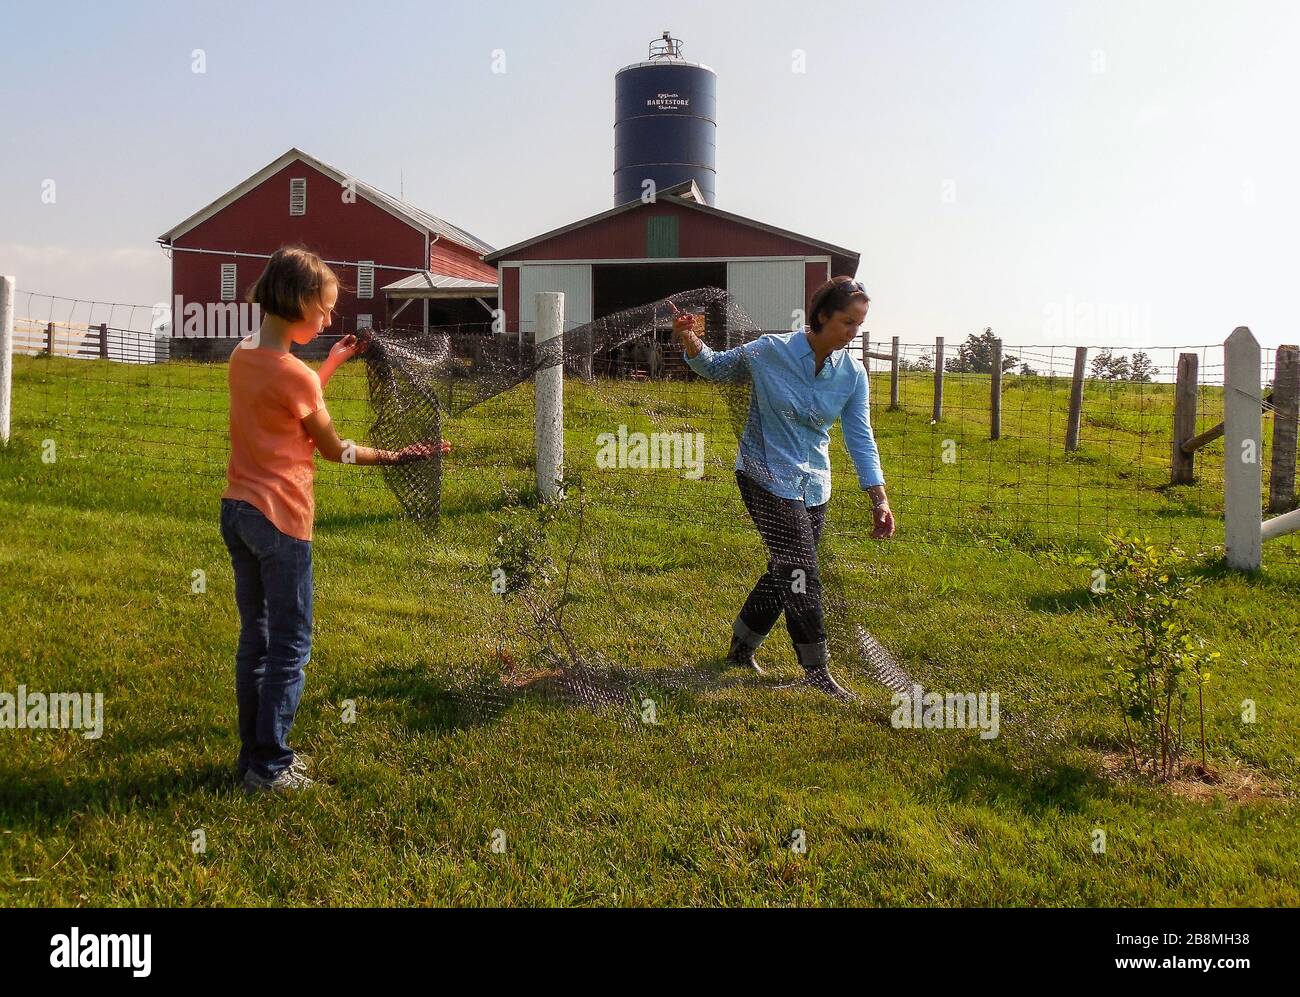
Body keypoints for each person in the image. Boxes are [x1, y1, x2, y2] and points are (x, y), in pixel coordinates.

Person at [221, 245, 446, 793]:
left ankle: (252, 757)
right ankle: (271, 766)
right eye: (323, 309)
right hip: (281, 521)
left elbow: (292, 399)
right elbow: (331, 447)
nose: (326, 320)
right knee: (291, 645)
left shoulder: (241, 355)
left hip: (238, 511)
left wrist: (332, 364)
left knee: (257, 637)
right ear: (298, 301)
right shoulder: (295, 378)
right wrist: (397, 455)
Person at [671, 277, 894, 700]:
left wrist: (878, 497)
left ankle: (741, 646)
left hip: (814, 485)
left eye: (859, 324)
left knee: (785, 568)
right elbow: (715, 367)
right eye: (848, 322)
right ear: (822, 316)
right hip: (764, 475)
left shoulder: (852, 374)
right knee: (801, 570)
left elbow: (860, 436)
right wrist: (690, 339)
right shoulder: (769, 351)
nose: (854, 333)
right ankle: (817, 670)